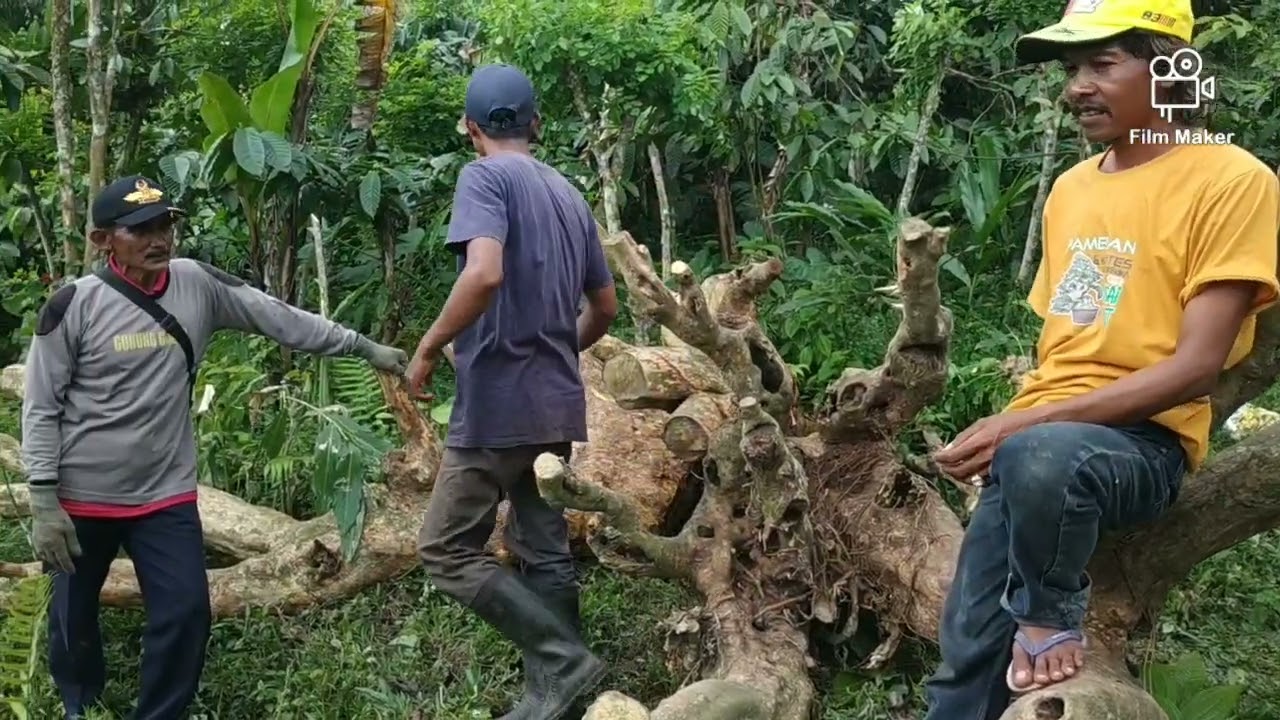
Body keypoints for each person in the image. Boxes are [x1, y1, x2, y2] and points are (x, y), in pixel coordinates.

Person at [922, 1, 1280, 718]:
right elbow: (1078, 330)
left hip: (1141, 441)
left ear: (1174, 69)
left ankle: (1050, 616)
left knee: (1045, 457)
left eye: (1102, 63)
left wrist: (1026, 432)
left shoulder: (1232, 181)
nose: (1076, 86)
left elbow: (1195, 368)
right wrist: (1017, 429)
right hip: (1037, 445)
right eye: (1071, 68)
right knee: (965, 662)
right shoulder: (1073, 189)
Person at [21, 174, 409, 720]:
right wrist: (43, 500)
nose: (159, 239)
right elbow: (40, 405)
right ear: (101, 240)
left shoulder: (196, 283)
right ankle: (79, 705)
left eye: (164, 225)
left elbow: (280, 317)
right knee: (71, 619)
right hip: (81, 499)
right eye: (140, 230)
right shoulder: (72, 307)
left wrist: (364, 347)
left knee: (186, 613)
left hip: (165, 496)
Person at [405, 62, 618, 720]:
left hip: (498, 404)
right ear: (537, 125)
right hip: (554, 404)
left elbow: (484, 272)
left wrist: (430, 343)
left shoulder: (483, 176)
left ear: (471, 129)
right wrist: (554, 349)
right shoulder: (568, 193)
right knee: (544, 547)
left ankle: (565, 662)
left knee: (443, 549)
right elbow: (604, 308)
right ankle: (554, 699)